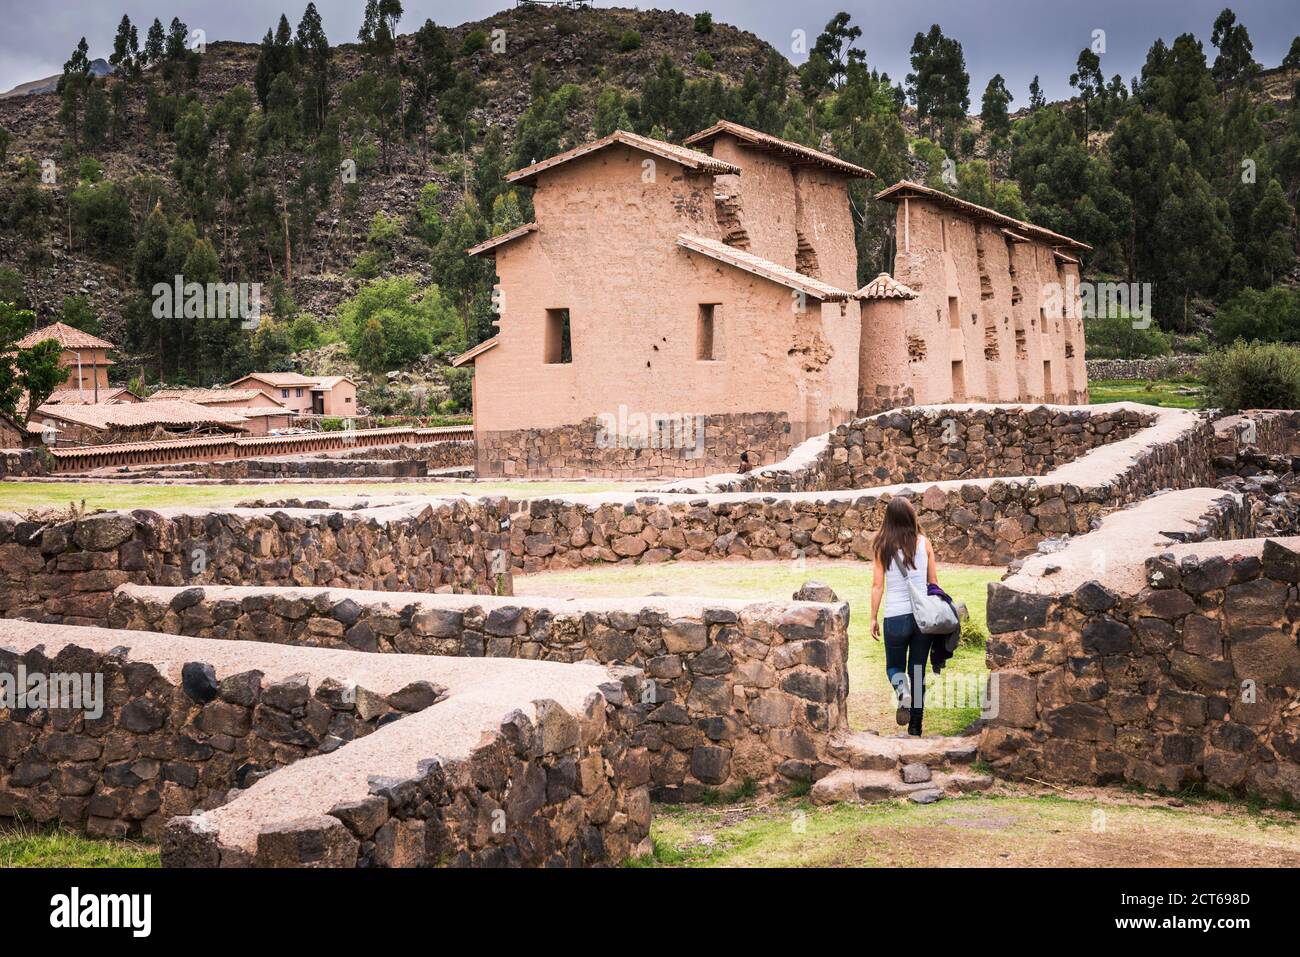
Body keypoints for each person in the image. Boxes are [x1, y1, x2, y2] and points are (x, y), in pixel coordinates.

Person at [869, 496, 940, 736]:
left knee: (894, 666)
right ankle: (915, 727)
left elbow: (877, 586)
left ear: (888, 519)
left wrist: (873, 617)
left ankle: (902, 691)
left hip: (895, 617)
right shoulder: (924, 543)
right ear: (911, 516)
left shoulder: (882, 546)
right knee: (918, 671)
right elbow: (933, 583)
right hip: (922, 618)